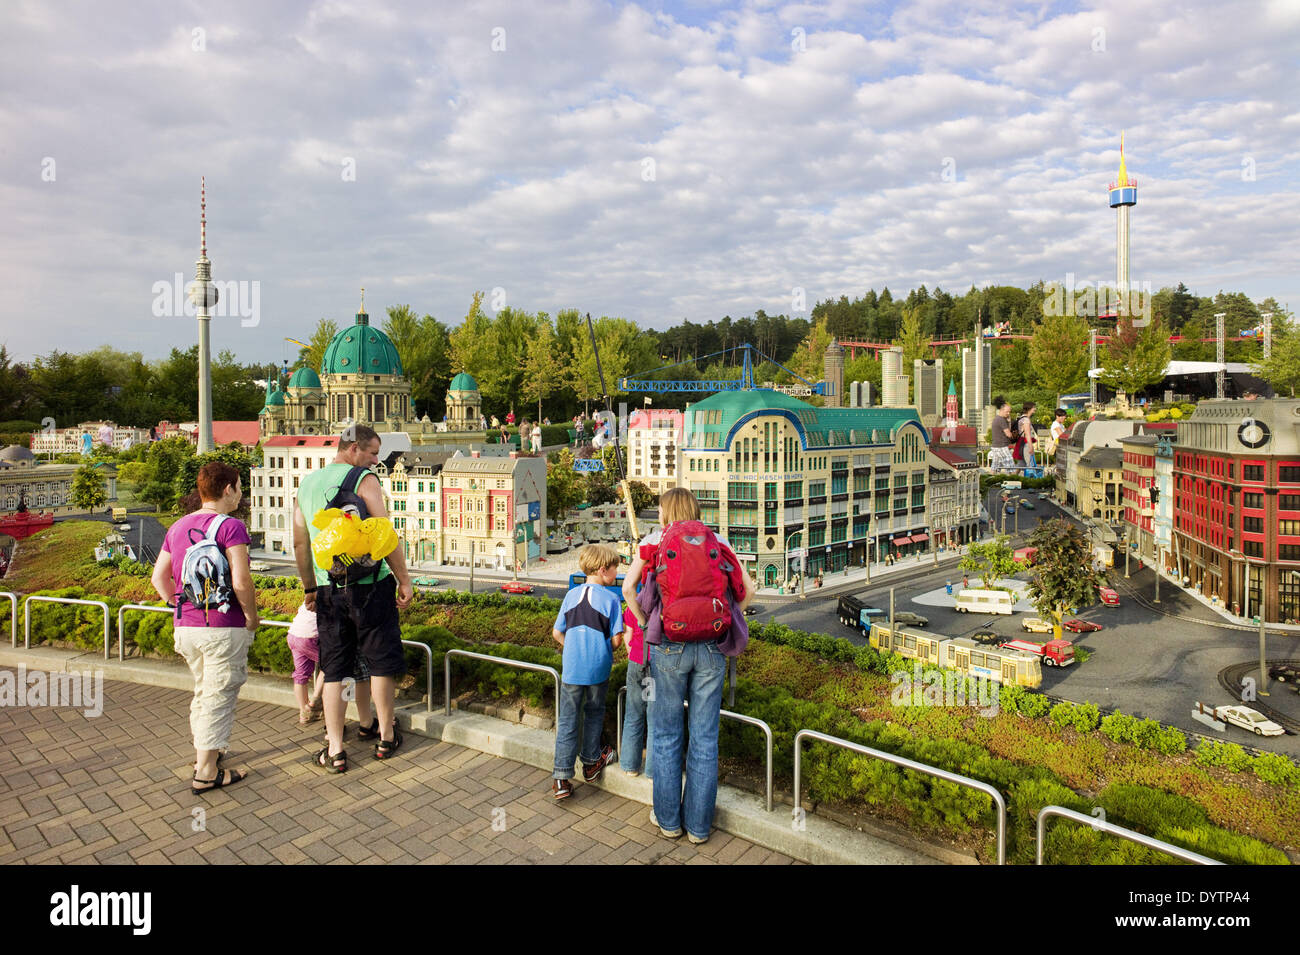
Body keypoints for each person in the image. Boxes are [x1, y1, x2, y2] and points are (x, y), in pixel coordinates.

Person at [623, 488, 755, 844]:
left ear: (666, 511)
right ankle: (699, 828)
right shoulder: (717, 540)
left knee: (665, 736)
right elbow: (749, 590)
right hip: (712, 648)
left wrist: (645, 618)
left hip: (668, 646)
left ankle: (668, 821)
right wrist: (725, 616)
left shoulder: (655, 539)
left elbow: (627, 587)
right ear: (695, 509)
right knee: (705, 739)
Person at [293, 425, 413, 773]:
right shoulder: (364, 479)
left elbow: (301, 542)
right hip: (370, 585)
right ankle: (385, 736)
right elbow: (384, 535)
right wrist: (404, 580)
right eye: (372, 453)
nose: (377, 461)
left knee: (333, 669)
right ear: (352, 449)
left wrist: (310, 588)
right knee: (380, 663)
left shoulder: (307, 484)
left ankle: (334, 749)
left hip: (330, 590)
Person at [150, 462, 257, 793]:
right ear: (227, 490)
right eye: (239, 487)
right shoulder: (230, 527)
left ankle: (206, 755)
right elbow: (241, 580)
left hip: (186, 626)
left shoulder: (179, 526)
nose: (241, 494)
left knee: (203, 691)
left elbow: (158, 578)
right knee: (218, 696)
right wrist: (251, 616)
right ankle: (207, 772)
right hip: (223, 625)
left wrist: (176, 601)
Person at [551, 543, 622, 798]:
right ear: (604, 570)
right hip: (597, 668)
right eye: (615, 569)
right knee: (593, 712)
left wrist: (573, 647)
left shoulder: (571, 596)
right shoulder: (612, 599)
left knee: (568, 719)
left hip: (571, 668)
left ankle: (561, 777)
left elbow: (557, 632)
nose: (616, 574)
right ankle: (591, 762)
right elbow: (616, 640)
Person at [619, 604, 652, 779]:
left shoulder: (634, 604)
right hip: (655, 666)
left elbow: (628, 635)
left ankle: (630, 766)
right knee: (655, 719)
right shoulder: (662, 604)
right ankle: (653, 770)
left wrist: (634, 655)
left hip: (636, 662)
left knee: (633, 713)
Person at [286, 602, 326, 724]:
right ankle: (314, 701)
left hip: (293, 635)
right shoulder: (326, 594)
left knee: (300, 675)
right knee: (330, 665)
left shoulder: (309, 597)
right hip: (310, 637)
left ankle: (304, 713)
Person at [988, 397, 1015, 472]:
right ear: (1001, 410)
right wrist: (1009, 423)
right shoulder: (1001, 420)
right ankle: (1013, 481)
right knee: (1011, 466)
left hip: (996, 446)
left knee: (995, 467)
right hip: (1001, 446)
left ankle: (991, 480)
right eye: (1007, 412)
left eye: (1009, 412)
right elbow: (1009, 434)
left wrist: (1009, 422)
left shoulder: (997, 419)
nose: (1008, 414)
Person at [1014, 402, 1038, 475]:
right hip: (1026, 444)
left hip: (1021, 443)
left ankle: (1011, 478)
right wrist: (1031, 447)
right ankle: (1030, 481)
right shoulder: (1026, 420)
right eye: (1034, 407)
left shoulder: (1021, 418)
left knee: (1021, 463)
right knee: (1029, 464)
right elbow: (1027, 434)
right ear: (1029, 408)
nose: (1035, 409)